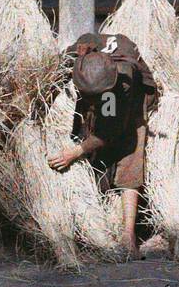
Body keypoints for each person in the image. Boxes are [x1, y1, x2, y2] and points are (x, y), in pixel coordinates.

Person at [47, 32, 157, 257]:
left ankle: (128, 235)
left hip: (135, 102)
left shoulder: (125, 82)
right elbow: (51, 80)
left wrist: (75, 152)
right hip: (100, 84)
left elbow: (112, 131)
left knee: (129, 152)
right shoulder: (75, 53)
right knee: (88, 136)